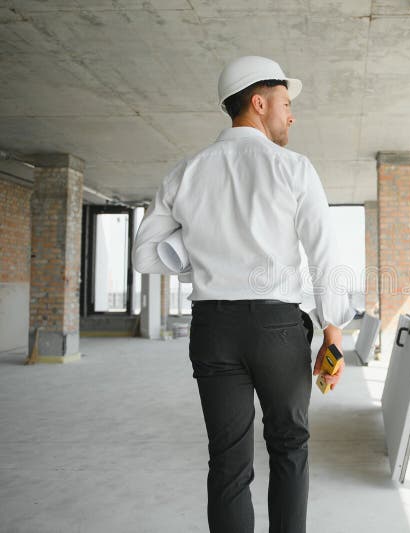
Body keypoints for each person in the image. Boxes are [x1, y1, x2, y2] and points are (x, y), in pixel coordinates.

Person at [132, 55, 354, 533]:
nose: (291, 114)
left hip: (213, 329)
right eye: (285, 103)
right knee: (289, 447)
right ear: (259, 103)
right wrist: (333, 329)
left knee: (227, 461)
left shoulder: (185, 172)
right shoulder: (293, 168)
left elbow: (146, 257)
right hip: (276, 330)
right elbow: (325, 254)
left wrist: (205, 254)